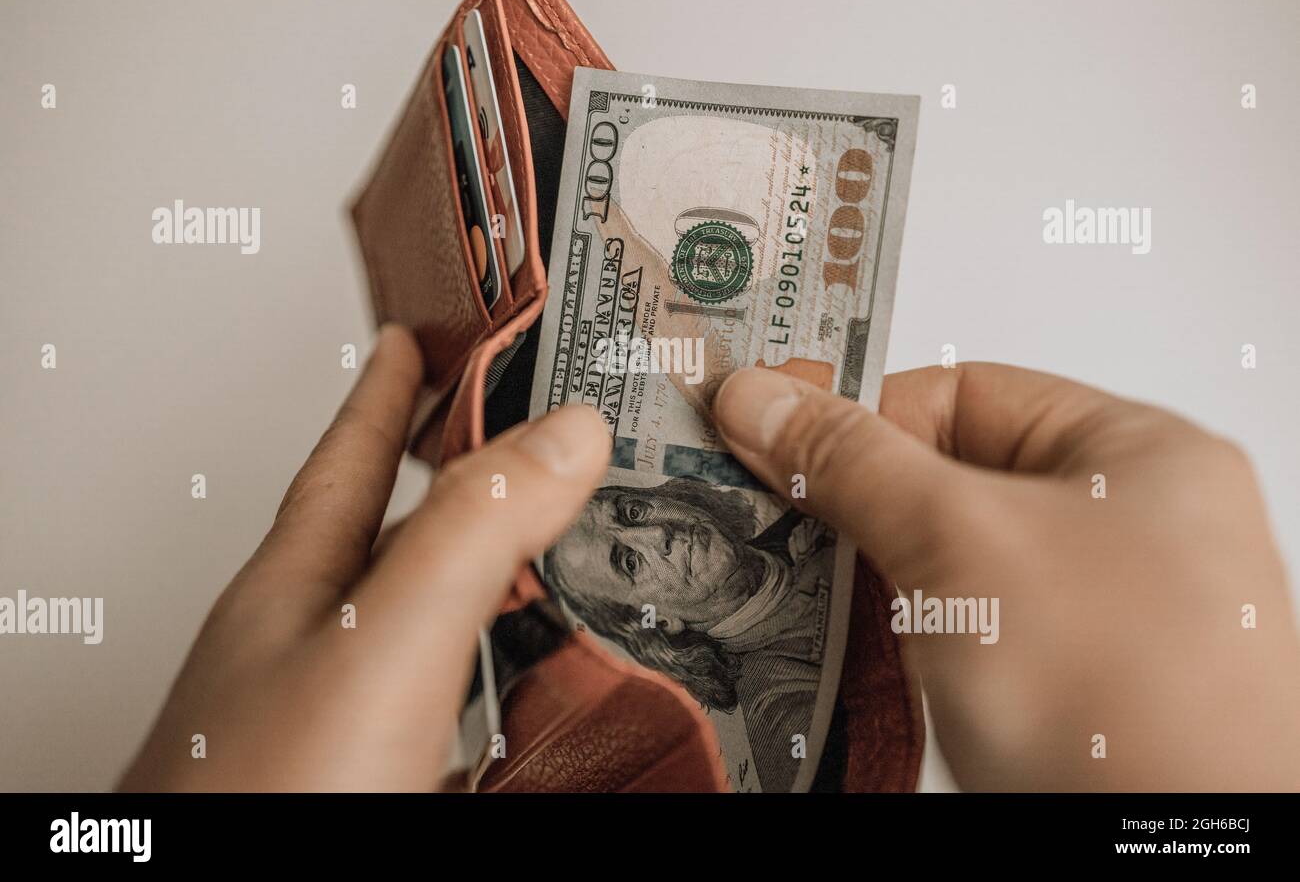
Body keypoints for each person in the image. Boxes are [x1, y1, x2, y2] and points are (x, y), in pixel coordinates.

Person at [118, 325, 1300, 791]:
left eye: (621, 517)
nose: (648, 532)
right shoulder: (780, 705)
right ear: (663, 637)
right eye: (623, 563)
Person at [545, 478, 836, 792]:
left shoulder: (802, 519)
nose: (659, 533)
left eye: (632, 511)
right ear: (660, 621)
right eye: (631, 563)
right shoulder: (777, 710)